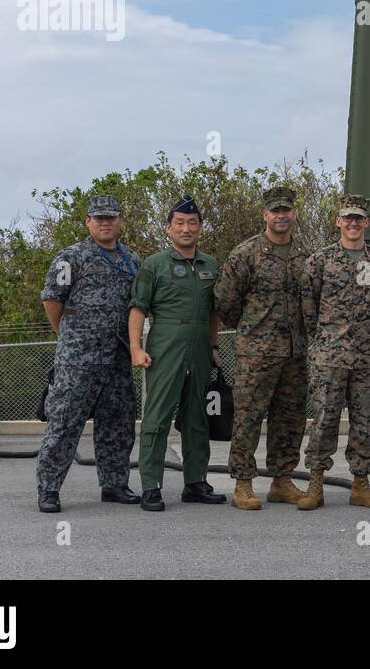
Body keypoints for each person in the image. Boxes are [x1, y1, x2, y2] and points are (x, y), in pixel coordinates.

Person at [36, 195, 141, 513]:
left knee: (118, 424)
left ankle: (114, 484)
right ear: (88, 222)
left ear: (120, 221)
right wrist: (69, 335)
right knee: (64, 424)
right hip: (77, 360)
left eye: (111, 217)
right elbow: (52, 301)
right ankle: (49, 489)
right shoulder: (72, 257)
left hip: (118, 359)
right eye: (99, 218)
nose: (105, 222)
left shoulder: (132, 260)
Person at [128, 195, 227, 511]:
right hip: (165, 349)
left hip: (199, 350)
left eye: (192, 223)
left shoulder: (210, 264)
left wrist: (213, 346)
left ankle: (196, 482)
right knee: (157, 418)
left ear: (200, 227)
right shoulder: (154, 265)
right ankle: (151, 487)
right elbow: (138, 308)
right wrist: (135, 348)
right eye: (180, 223)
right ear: (168, 228)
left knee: (198, 418)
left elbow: (213, 311)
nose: (186, 228)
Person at [214, 186, 310, 511]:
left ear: (294, 214)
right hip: (256, 353)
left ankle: (282, 481)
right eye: (275, 211)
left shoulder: (305, 257)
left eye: (286, 210)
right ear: (265, 215)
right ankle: (243, 484)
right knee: (248, 418)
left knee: (290, 418)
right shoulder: (246, 254)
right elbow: (226, 301)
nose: (281, 216)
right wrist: (252, 329)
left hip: (296, 353)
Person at [298, 193, 370, 511]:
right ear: (338, 221)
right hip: (329, 358)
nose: (353, 223)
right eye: (347, 218)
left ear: (366, 222)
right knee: (325, 420)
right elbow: (308, 311)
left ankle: (360, 486)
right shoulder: (319, 262)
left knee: (363, 422)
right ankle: (315, 484)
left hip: (367, 358)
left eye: (358, 218)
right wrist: (326, 340)